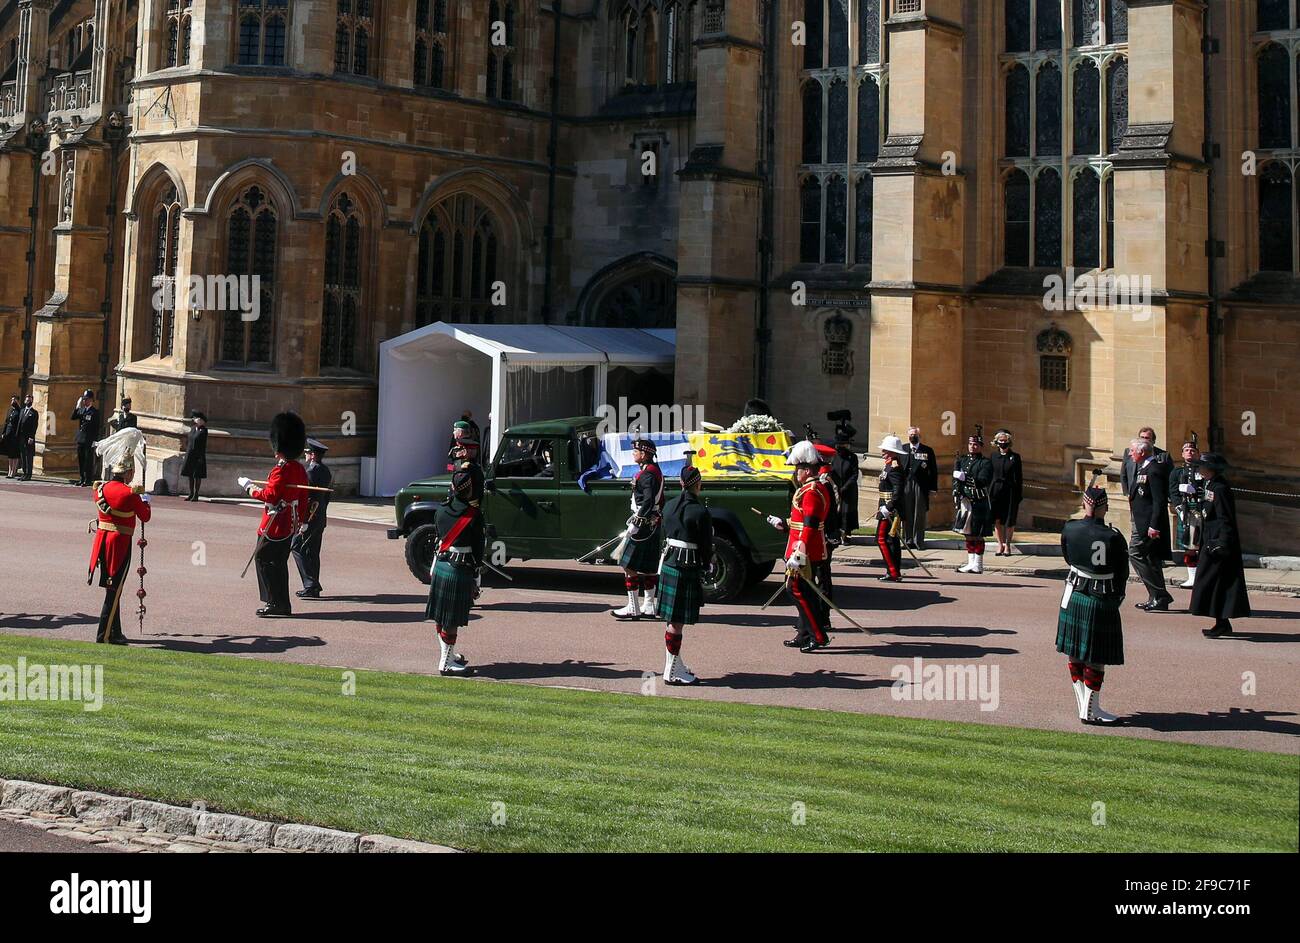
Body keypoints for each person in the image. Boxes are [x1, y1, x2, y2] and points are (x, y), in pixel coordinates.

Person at [1055, 483, 1128, 725]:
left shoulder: (1070, 529)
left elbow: (1068, 557)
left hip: (1074, 592)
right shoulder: (1114, 536)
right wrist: (1117, 597)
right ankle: (1090, 707)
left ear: (1085, 503)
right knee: (1096, 656)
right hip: (1101, 598)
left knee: (1075, 651)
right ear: (1104, 507)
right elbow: (1122, 572)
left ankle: (1084, 703)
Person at [237, 412, 310, 618]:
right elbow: (303, 496)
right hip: (290, 524)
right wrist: (302, 520)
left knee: (264, 559)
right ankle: (282, 603)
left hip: (274, 524)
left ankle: (274, 601)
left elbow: (270, 495)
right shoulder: (298, 469)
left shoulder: (281, 470)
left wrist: (249, 487)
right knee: (278, 562)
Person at [766, 440, 832, 653]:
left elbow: (811, 524)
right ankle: (804, 634)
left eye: (797, 469)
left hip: (805, 550)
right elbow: (800, 520)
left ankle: (817, 635)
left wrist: (800, 551)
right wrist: (783, 523)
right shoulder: (809, 489)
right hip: (802, 547)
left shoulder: (811, 490)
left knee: (796, 590)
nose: (795, 473)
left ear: (805, 469)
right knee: (801, 590)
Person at [87, 428, 151, 645]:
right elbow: (146, 516)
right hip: (119, 544)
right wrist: (144, 499)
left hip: (102, 541)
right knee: (114, 590)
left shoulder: (99, 488)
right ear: (129, 473)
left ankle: (115, 632)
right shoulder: (129, 494)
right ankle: (103, 635)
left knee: (114, 588)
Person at [657, 465, 714, 685]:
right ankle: (671, 672)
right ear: (697, 484)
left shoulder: (669, 506)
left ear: (681, 483)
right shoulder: (700, 511)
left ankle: (674, 664)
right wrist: (707, 563)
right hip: (686, 567)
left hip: (670, 561)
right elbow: (705, 545)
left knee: (672, 621)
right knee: (676, 623)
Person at [426, 467, 484, 676]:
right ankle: (446, 664)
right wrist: (477, 576)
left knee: (441, 616)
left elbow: (439, 536)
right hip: (460, 568)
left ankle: (449, 655)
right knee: (451, 620)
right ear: (468, 491)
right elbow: (478, 550)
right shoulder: (474, 514)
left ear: (452, 487)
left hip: (441, 564)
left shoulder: (441, 510)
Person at [1188, 453, 1252, 638]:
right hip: (1209, 540)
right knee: (1211, 583)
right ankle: (1221, 621)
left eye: (1202, 466)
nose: (1199, 469)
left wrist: (1222, 543)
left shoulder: (1221, 488)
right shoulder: (1210, 485)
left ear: (1210, 469)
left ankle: (1222, 622)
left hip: (1218, 544)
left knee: (1215, 582)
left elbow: (1226, 518)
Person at [611, 437, 665, 620]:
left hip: (643, 524)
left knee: (628, 565)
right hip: (652, 523)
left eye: (636, 451)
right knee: (649, 567)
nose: (633, 453)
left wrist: (636, 522)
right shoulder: (652, 470)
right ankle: (649, 606)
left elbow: (648, 501)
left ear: (644, 454)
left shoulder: (647, 474)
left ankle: (633, 607)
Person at [1124, 438, 1174, 611]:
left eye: (1132, 451)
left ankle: (1159, 593)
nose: (1130, 454)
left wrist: (1154, 525)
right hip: (1139, 521)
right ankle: (1157, 597)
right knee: (1151, 559)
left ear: (1142, 452)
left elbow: (1159, 501)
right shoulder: (1144, 468)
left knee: (1134, 554)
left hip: (1147, 524)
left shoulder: (1154, 470)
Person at [292, 437, 333, 599]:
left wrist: (304, 520)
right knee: (312, 551)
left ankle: (310, 585)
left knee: (297, 546)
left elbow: (308, 498)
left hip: (310, 516)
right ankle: (312, 586)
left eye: (308, 452)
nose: (306, 455)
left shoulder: (310, 471)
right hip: (320, 515)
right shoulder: (325, 470)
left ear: (313, 455)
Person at [952, 427, 994, 573]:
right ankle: (970, 563)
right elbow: (956, 480)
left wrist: (967, 478)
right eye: (970, 444)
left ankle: (978, 564)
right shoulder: (962, 460)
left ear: (981, 446)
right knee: (967, 533)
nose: (972, 446)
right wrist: (956, 490)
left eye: (975, 444)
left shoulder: (985, 463)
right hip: (965, 501)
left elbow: (983, 480)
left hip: (978, 502)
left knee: (977, 533)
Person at [1168, 440, 1204, 589]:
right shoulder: (1177, 472)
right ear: (1182, 454)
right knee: (1189, 546)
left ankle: (1203, 576)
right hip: (1186, 510)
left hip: (1201, 510)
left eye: (1193, 450)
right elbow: (1173, 492)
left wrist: (1197, 492)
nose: (1190, 452)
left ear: (1198, 454)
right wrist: (1179, 508)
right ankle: (1192, 577)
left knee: (1202, 545)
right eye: (1186, 450)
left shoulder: (1203, 470)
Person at [875, 435, 908, 582]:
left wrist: (888, 507)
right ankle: (893, 571)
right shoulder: (888, 464)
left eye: (885, 449)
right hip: (885, 506)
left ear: (892, 451)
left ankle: (893, 571)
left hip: (890, 510)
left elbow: (898, 490)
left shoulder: (894, 467)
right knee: (890, 540)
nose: (882, 451)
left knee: (882, 539)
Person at [901, 426, 937, 550]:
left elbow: (933, 471)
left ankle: (918, 540)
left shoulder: (927, 450)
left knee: (919, 513)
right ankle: (907, 539)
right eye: (911, 435)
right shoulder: (903, 449)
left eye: (915, 434)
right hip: (906, 484)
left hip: (921, 485)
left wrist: (933, 488)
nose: (913, 437)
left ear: (919, 436)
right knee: (907, 513)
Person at [989, 429, 1024, 556]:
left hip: (1010, 492)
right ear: (997, 442)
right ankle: (1000, 544)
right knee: (997, 519)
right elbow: (990, 474)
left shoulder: (1015, 457)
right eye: (1000, 441)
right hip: (996, 491)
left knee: (1009, 520)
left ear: (1009, 442)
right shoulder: (993, 456)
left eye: (1005, 441)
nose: (1003, 443)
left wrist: (1019, 494)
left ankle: (1008, 545)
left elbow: (1019, 477)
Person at [830, 430, 860, 544]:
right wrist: (834, 486)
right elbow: (831, 472)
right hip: (835, 489)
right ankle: (836, 534)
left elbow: (854, 474)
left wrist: (845, 487)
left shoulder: (852, 457)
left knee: (847, 512)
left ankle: (847, 535)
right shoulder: (833, 456)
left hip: (849, 489)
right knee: (836, 512)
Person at [71, 390, 100, 486]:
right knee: (81, 459)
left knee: (88, 460)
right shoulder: (82, 410)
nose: (84, 401)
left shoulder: (94, 412)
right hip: (81, 438)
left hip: (89, 439)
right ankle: (81, 478)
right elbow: (73, 417)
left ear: (91, 400)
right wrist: (77, 406)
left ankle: (88, 479)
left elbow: (96, 427)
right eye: (84, 399)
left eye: (86, 399)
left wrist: (95, 440)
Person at [180, 411, 208, 501]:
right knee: (190, 475)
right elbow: (189, 441)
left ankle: (196, 494)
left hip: (198, 455)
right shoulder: (193, 429)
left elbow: (201, 442)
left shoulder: (203, 430)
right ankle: (191, 493)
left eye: (198, 419)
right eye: (196, 418)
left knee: (197, 475)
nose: (196, 420)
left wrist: (200, 457)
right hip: (190, 455)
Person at [16, 394, 37, 480]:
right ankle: (24, 473)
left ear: (31, 401)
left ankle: (29, 474)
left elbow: (34, 426)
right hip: (21, 437)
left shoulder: (34, 413)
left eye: (29, 400)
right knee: (23, 456)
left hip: (29, 438)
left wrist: (31, 437)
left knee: (28, 456)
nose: (27, 401)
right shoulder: (22, 411)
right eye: (26, 400)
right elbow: (19, 424)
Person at [2, 395, 20, 479]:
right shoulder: (10, 410)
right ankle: (9, 471)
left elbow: (19, 425)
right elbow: (6, 422)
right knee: (9, 453)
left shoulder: (19, 411)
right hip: (8, 434)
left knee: (15, 453)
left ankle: (13, 471)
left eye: (14, 400)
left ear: (17, 401)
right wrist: (3, 433)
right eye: (12, 400)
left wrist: (18, 435)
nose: (12, 401)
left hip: (15, 435)